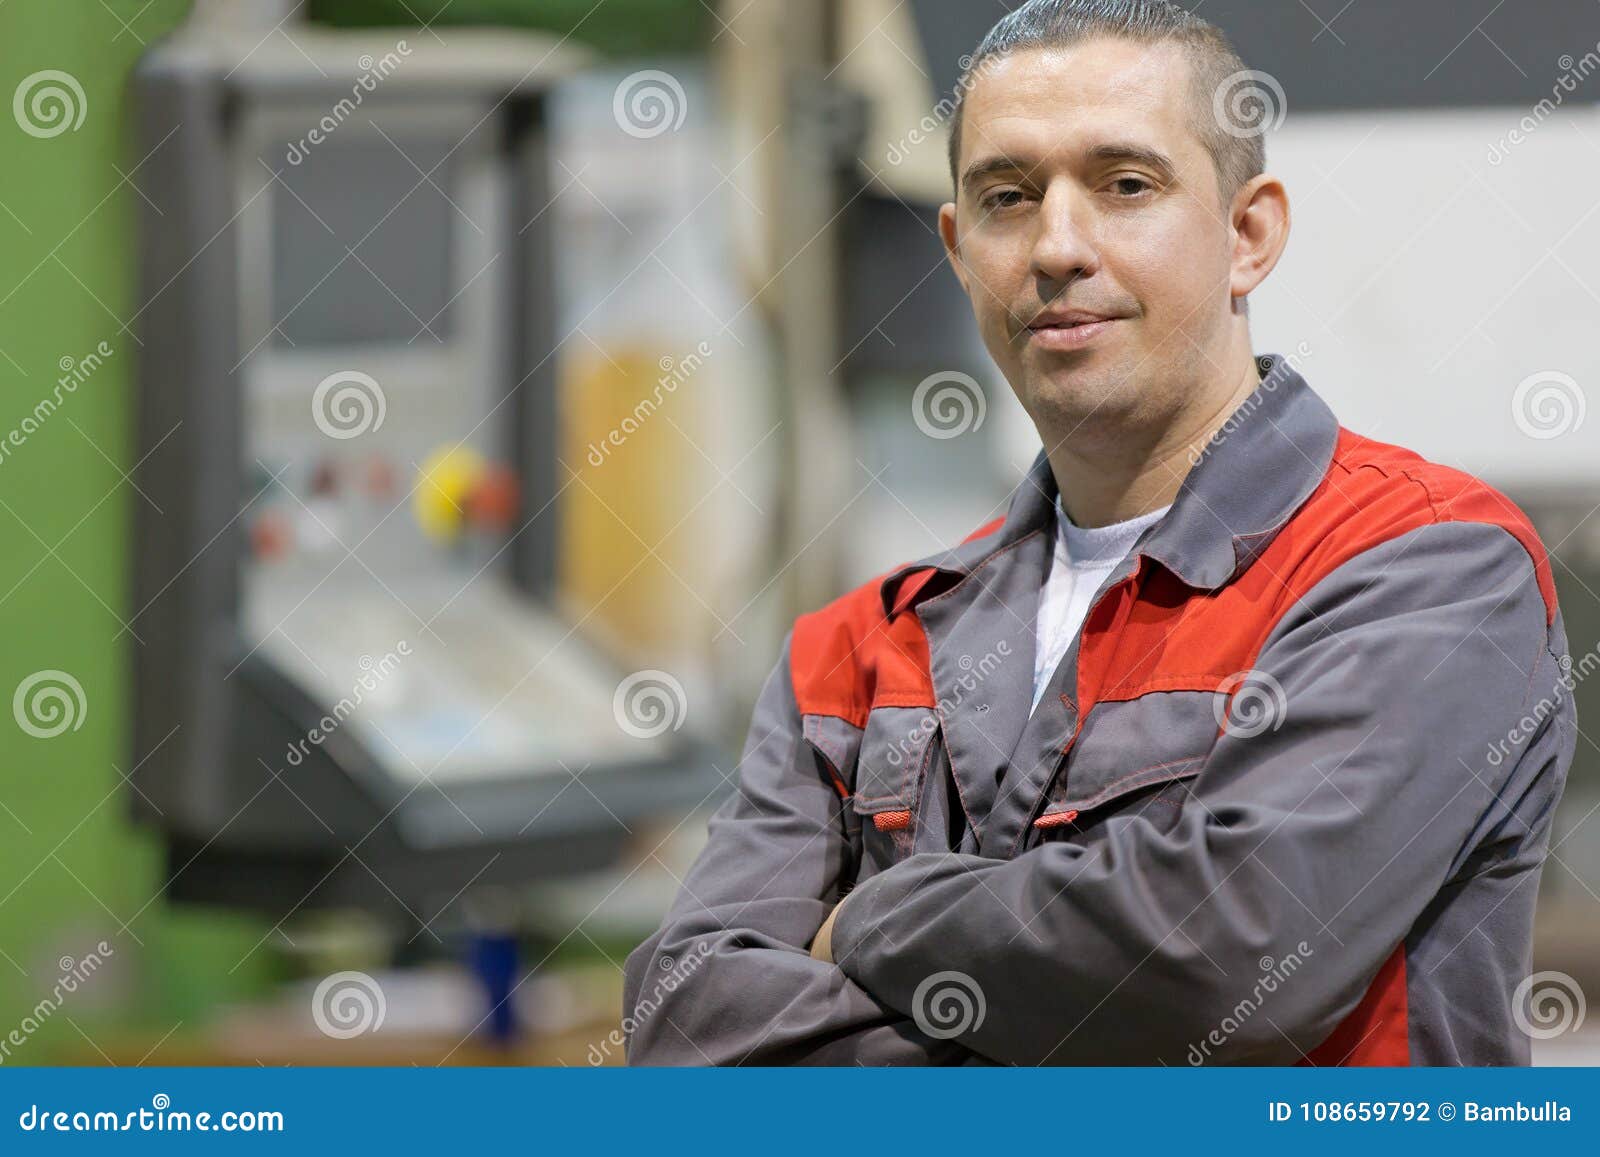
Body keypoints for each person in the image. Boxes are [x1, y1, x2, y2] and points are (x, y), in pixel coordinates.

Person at [622, 0, 1576, 1065]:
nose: (1057, 246)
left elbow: (1221, 961)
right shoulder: (851, 653)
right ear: (955, 248)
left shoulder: (1426, 568)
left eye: (1126, 185)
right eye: (1005, 198)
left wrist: (870, 921)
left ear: (1247, 234)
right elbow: (686, 1020)